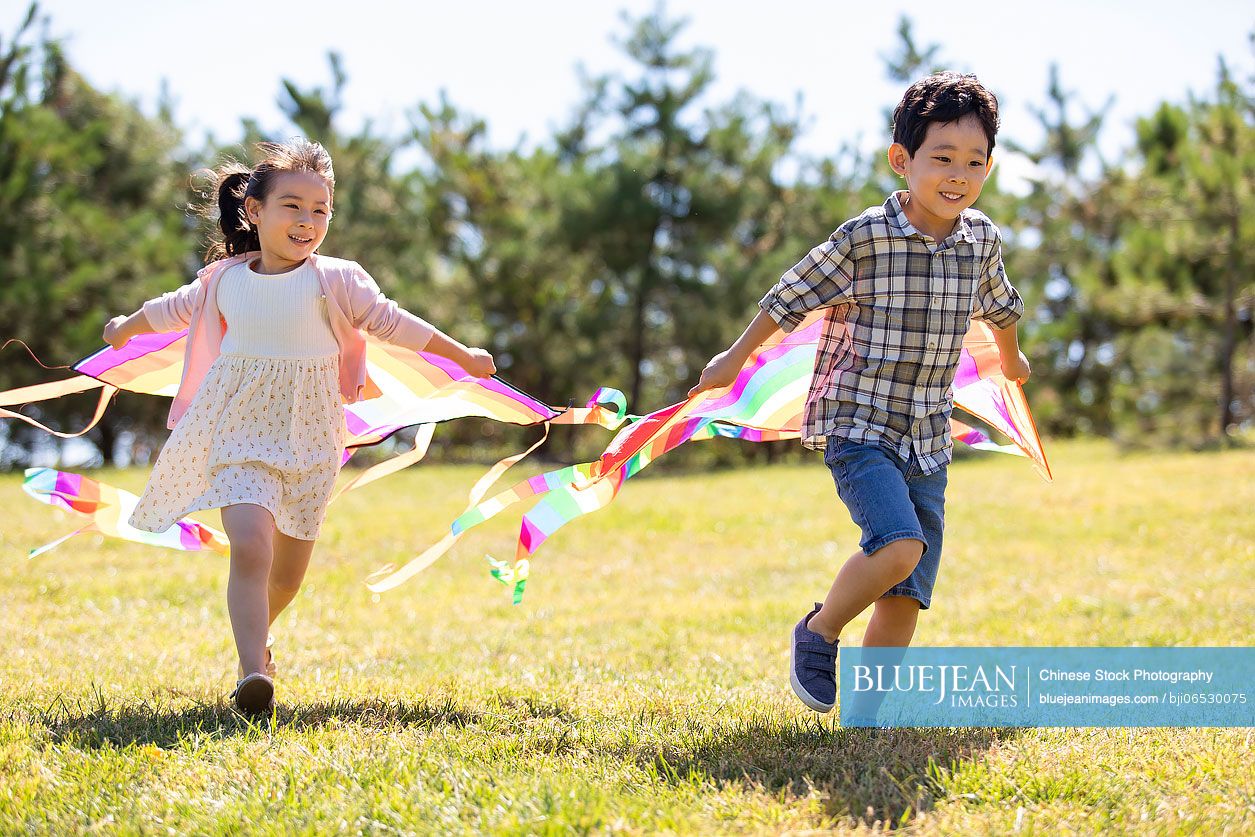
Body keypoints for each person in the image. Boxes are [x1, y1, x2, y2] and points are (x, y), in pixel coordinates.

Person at [102, 139, 496, 714]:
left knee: (287, 576)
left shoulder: (337, 281)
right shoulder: (223, 281)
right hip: (235, 427)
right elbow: (170, 309)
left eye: (320, 210)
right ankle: (250, 675)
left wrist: (461, 355)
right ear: (254, 211)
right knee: (252, 546)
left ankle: (259, 637)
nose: (307, 221)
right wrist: (124, 328)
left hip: (311, 437)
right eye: (292, 206)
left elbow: (392, 322)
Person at [688, 73, 1030, 714]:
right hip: (859, 424)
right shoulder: (865, 238)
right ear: (902, 160)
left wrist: (1012, 361)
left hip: (927, 436)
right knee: (898, 547)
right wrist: (734, 358)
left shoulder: (980, 240)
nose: (958, 175)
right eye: (942, 159)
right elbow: (790, 297)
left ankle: (866, 723)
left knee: (907, 593)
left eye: (975, 162)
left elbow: (1001, 308)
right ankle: (819, 630)